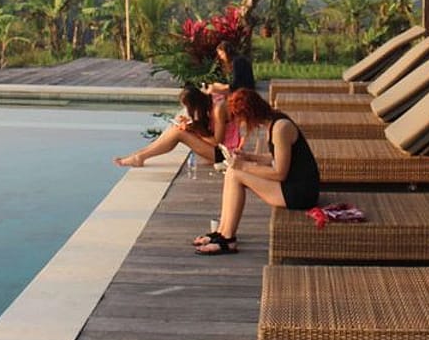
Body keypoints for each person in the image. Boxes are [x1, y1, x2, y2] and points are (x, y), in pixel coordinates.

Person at [192, 88, 319, 256]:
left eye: (239, 118)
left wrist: (243, 166)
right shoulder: (274, 121)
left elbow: (280, 172)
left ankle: (228, 239)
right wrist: (249, 157)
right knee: (232, 171)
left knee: (236, 173)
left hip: (299, 193)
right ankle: (222, 231)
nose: (239, 123)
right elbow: (276, 157)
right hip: (291, 183)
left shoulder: (280, 128)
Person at [114, 86, 241, 168]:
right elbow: (207, 130)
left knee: (178, 133)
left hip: (225, 155)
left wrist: (194, 129)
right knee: (176, 128)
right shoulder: (206, 104)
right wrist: (192, 125)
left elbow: (217, 142)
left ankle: (139, 157)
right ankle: (139, 154)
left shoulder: (218, 109)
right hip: (217, 151)